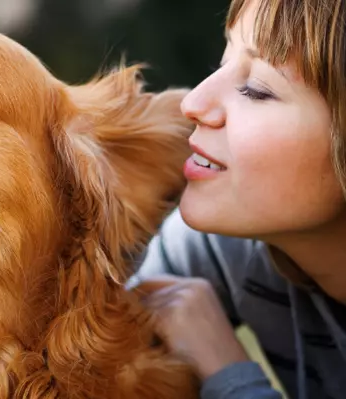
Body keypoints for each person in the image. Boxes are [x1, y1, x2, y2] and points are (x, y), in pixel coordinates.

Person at [126, 0, 346, 398]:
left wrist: (229, 374)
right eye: (223, 62)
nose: (191, 104)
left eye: (256, 90)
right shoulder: (227, 248)